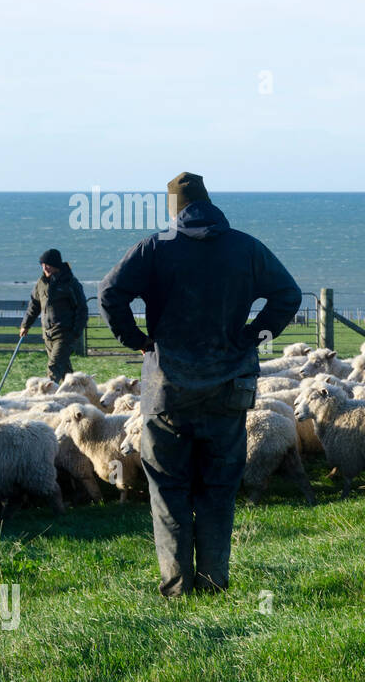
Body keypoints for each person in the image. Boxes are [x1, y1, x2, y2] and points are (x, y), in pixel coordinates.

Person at [99, 173, 301, 597]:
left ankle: (176, 587)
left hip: (167, 391)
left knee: (169, 491)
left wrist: (137, 340)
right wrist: (253, 334)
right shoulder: (245, 247)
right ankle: (213, 583)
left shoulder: (155, 248)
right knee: (218, 489)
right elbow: (288, 294)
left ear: (173, 209)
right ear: (210, 202)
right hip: (229, 389)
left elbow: (110, 292)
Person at [19, 249, 87, 382]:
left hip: (64, 333)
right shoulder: (41, 283)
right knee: (66, 373)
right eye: (42, 264)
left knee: (54, 367)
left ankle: (47, 398)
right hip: (48, 333)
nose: (45, 267)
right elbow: (34, 305)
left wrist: (76, 331)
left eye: (48, 264)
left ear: (56, 265)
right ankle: (79, 395)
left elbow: (82, 309)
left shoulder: (70, 283)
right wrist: (25, 325)